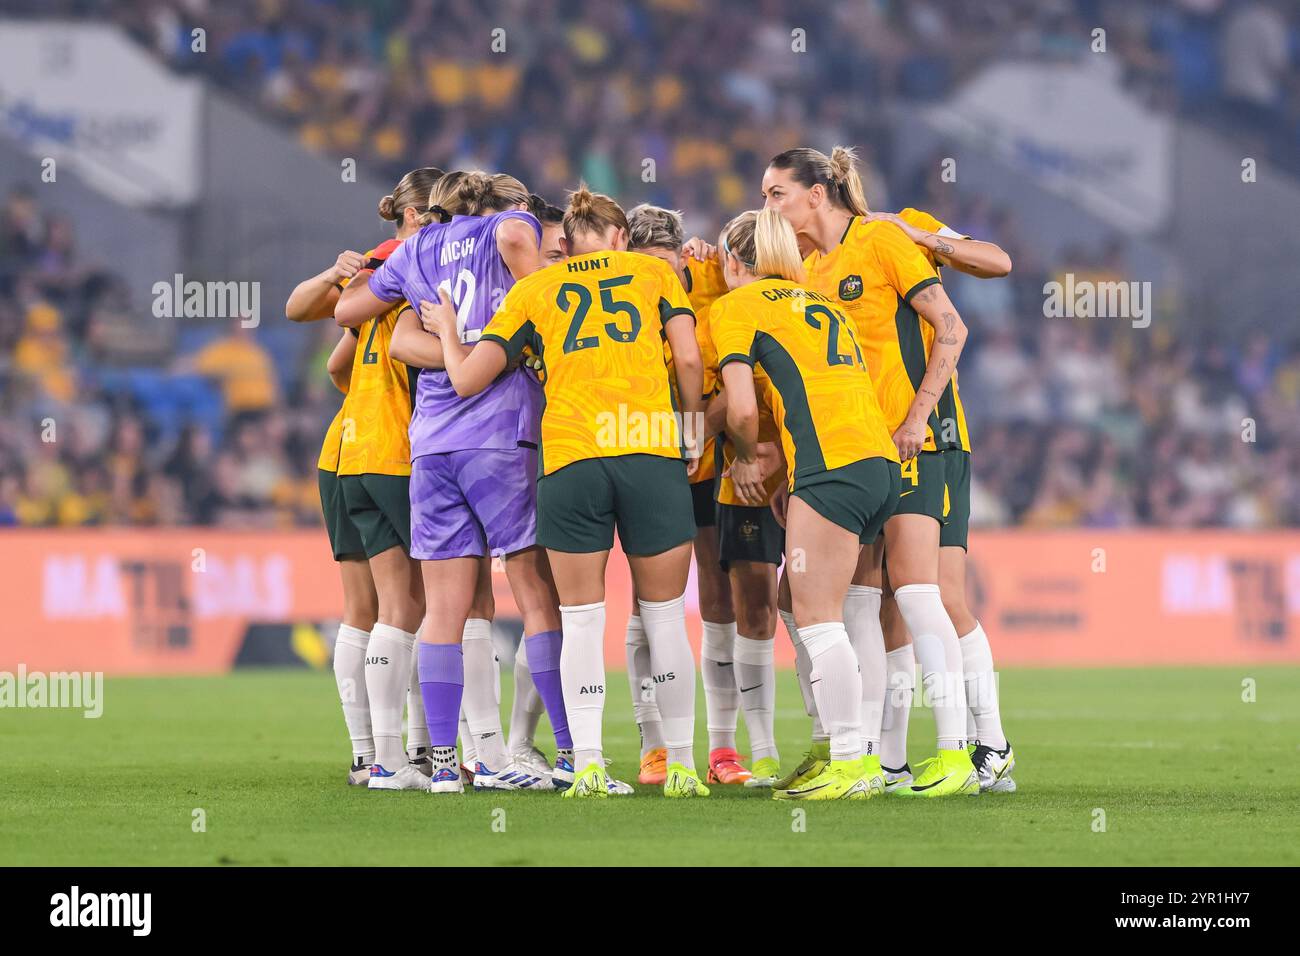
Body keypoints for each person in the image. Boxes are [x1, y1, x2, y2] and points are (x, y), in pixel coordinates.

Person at [424, 186, 708, 799]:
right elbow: (687, 358)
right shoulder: (651, 272)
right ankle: (681, 764)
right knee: (663, 619)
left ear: (567, 243)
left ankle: (587, 765)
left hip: (573, 456)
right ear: (618, 237)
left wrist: (449, 330)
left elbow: (469, 378)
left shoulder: (535, 290)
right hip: (648, 447)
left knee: (581, 620)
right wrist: (690, 429)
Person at [344, 170, 572, 793]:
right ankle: (571, 752)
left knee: (443, 607)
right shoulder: (510, 226)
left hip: (432, 442)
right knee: (533, 590)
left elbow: (352, 310)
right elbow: (543, 293)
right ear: (510, 204)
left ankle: (445, 766)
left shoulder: (413, 248)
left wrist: (441, 332)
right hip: (502, 434)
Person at [763, 145, 977, 797]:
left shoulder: (883, 236)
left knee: (917, 593)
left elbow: (952, 326)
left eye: (777, 193)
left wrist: (918, 417)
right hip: (858, 453)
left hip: (915, 441)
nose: (768, 205)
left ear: (816, 195)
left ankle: (962, 751)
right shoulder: (809, 271)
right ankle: (876, 759)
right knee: (857, 601)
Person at [711, 207, 900, 800]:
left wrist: (746, 458)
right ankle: (829, 748)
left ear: (733, 262)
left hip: (833, 468)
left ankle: (852, 760)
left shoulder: (736, 307)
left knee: (820, 618)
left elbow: (741, 409)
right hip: (877, 463)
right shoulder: (822, 304)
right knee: (800, 601)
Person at [863, 206, 1016, 792]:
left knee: (941, 595)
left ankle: (992, 743)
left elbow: (997, 261)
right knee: (888, 601)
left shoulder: (899, 225)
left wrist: (923, 236)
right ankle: (892, 759)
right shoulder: (826, 255)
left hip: (936, 435)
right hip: (869, 441)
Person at [623, 204, 772, 787]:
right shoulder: (620, 293)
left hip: (714, 461)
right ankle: (654, 745)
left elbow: (744, 372)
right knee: (648, 605)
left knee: (722, 596)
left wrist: (704, 428)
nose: (657, 276)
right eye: (645, 264)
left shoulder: (715, 279)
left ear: (685, 256)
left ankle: (723, 751)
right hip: (647, 461)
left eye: (665, 263)